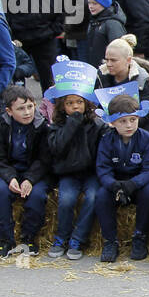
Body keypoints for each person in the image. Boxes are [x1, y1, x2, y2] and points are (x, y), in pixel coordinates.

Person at [0, 85, 51, 260]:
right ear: (9, 111)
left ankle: (29, 238)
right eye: (21, 109)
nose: (27, 112)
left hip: (35, 172)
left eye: (30, 107)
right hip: (10, 171)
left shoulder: (42, 126)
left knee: (37, 196)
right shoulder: (1, 127)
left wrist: (30, 179)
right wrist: (10, 177)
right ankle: (6, 240)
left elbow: (45, 159)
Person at [44, 74, 104, 261]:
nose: (75, 106)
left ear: (86, 103)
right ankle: (61, 237)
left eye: (79, 102)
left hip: (90, 174)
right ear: (62, 106)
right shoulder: (57, 126)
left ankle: (78, 239)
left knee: (93, 198)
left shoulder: (96, 124)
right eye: (70, 103)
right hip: (68, 173)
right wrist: (72, 124)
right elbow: (57, 148)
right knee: (66, 200)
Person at [94, 92, 149, 263]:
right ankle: (110, 241)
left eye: (133, 120)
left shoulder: (146, 138)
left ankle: (140, 237)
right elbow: (102, 169)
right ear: (113, 122)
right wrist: (113, 185)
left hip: (137, 183)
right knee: (101, 196)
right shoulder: (106, 140)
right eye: (122, 121)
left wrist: (133, 184)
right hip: (115, 183)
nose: (129, 125)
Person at [94, 35, 149, 136]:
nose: (108, 64)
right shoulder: (101, 77)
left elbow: (147, 115)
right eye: (107, 60)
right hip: (109, 134)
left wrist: (121, 124)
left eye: (113, 60)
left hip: (140, 134)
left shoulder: (144, 81)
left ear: (128, 60)